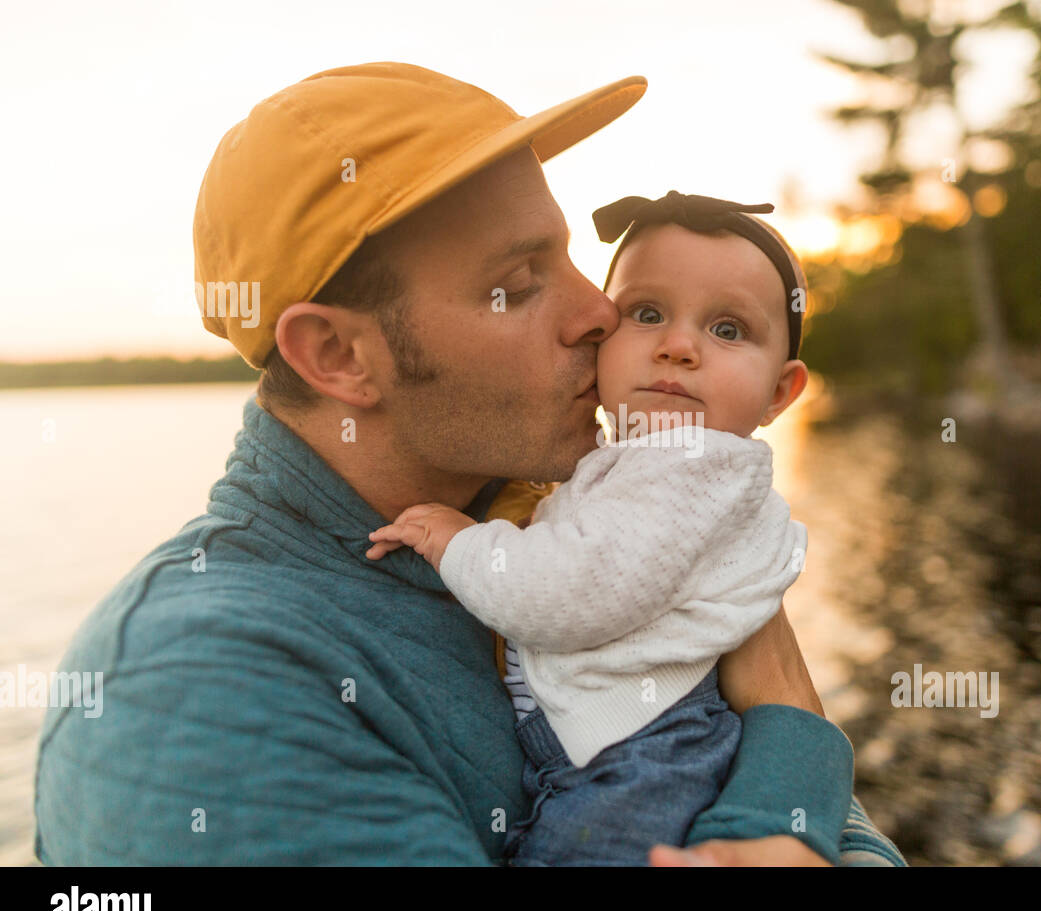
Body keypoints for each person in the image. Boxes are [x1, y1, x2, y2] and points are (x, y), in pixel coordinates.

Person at [32, 62, 906, 867]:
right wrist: (793, 729)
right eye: (519, 284)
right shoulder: (193, 695)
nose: (601, 312)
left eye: (567, 255)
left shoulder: (569, 517)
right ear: (337, 355)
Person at [365, 190, 816, 865]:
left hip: (644, 757)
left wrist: (459, 542)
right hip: (619, 751)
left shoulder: (694, 468)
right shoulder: (629, 463)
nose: (679, 347)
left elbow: (569, 593)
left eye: (727, 330)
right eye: (647, 313)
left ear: (780, 393)